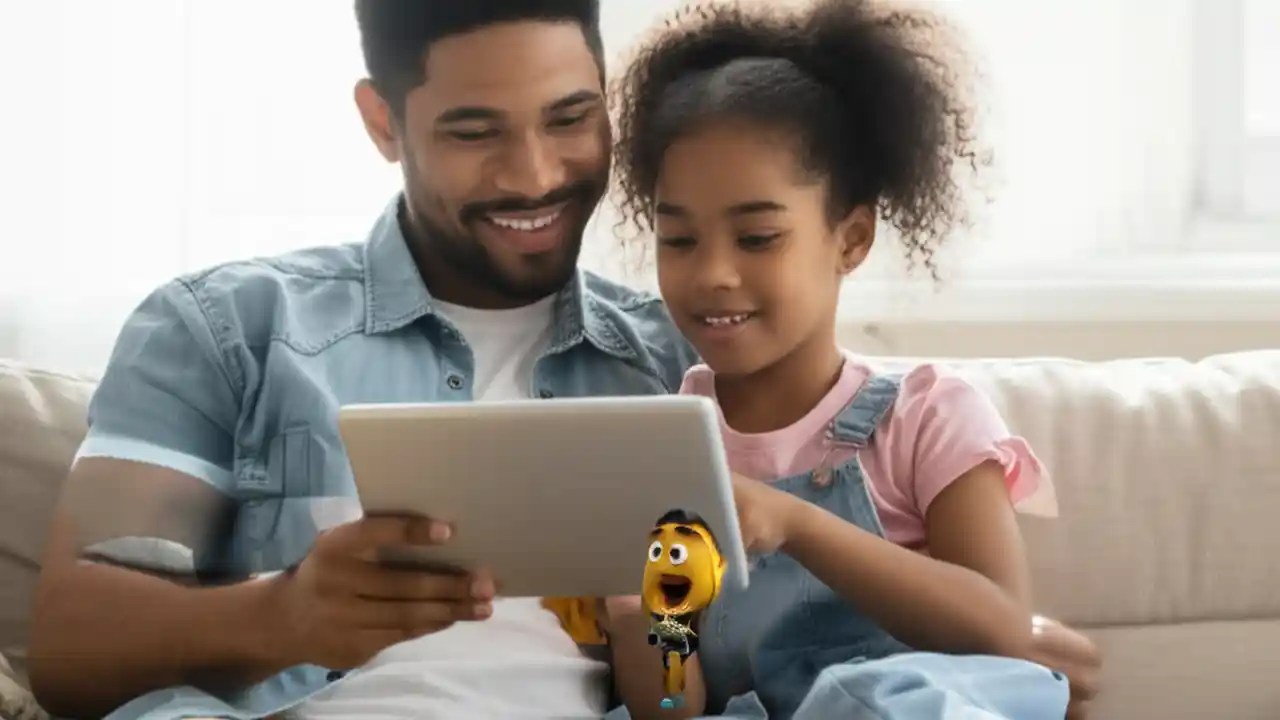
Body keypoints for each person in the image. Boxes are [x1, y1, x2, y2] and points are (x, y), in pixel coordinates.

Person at [24, 2, 1100, 719]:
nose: (533, 173)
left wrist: (996, 653)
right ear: (381, 122)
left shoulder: (687, 360)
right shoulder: (228, 329)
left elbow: (828, 521)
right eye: (474, 131)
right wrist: (282, 613)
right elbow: (71, 650)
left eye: (570, 118)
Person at [577, 1, 1086, 718]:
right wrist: (640, 619)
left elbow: (1003, 628)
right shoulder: (667, 441)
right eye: (680, 240)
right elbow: (674, 709)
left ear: (850, 239)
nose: (713, 273)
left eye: (757, 239)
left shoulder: (930, 415)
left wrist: (796, 523)